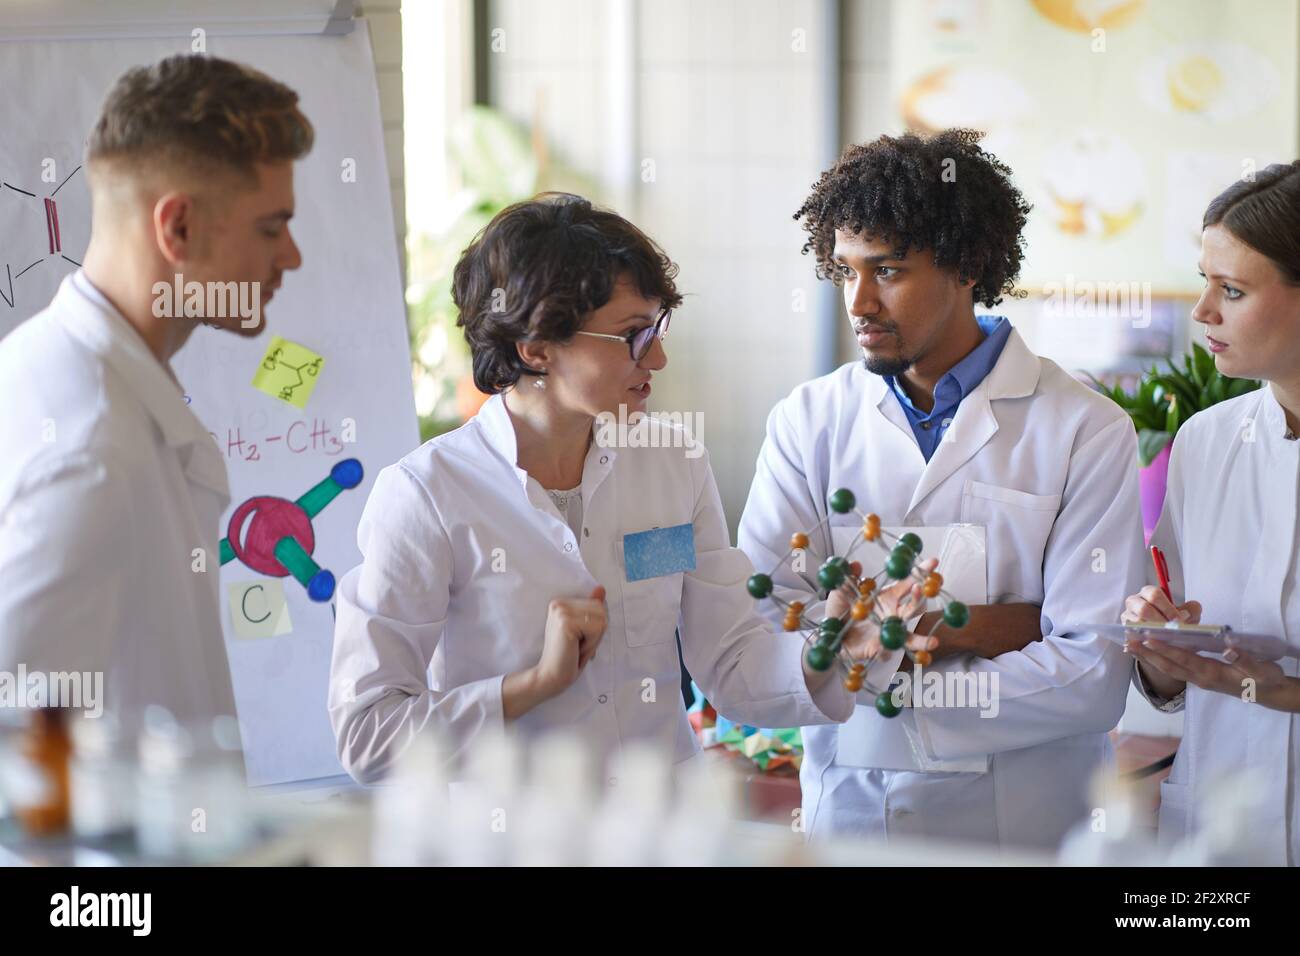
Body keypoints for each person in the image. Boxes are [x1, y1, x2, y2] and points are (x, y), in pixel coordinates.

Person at [328, 193, 933, 784]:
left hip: (660, 834)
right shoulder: (426, 495)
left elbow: (731, 662)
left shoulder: (672, 463)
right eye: (634, 336)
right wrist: (531, 686)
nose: (661, 358)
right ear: (535, 347)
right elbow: (369, 735)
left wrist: (834, 650)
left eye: (659, 328)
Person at [738, 129, 1147, 849]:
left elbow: (1092, 670)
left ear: (969, 265)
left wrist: (882, 667)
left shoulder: (1085, 427)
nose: (858, 301)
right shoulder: (808, 420)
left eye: (888, 269)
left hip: (1025, 829)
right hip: (850, 818)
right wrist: (997, 625)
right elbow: (766, 621)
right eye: (845, 271)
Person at [0, 55, 312, 728]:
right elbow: (20, 755)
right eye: (270, 226)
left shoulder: (61, 374)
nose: (291, 255)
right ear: (177, 228)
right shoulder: (90, 453)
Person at [1122, 161, 1300, 866]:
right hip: (1218, 835)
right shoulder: (1207, 440)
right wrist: (1164, 652)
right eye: (1205, 281)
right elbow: (1169, 681)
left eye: (1232, 290)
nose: (1202, 311)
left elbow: (1252, 680)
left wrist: (1271, 688)